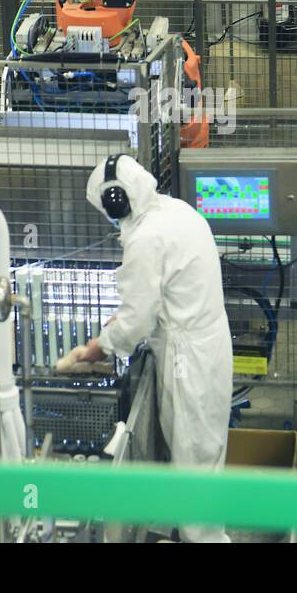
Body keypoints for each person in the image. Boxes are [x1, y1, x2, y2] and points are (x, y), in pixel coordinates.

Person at [67, 153, 233, 543]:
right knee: (203, 455)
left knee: (194, 461)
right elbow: (159, 296)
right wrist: (128, 321)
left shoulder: (145, 238)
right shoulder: (176, 211)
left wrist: (100, 346)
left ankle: (203, 539)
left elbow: (138, 319)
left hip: (187, 358)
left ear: (115, 200)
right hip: (205, 343)